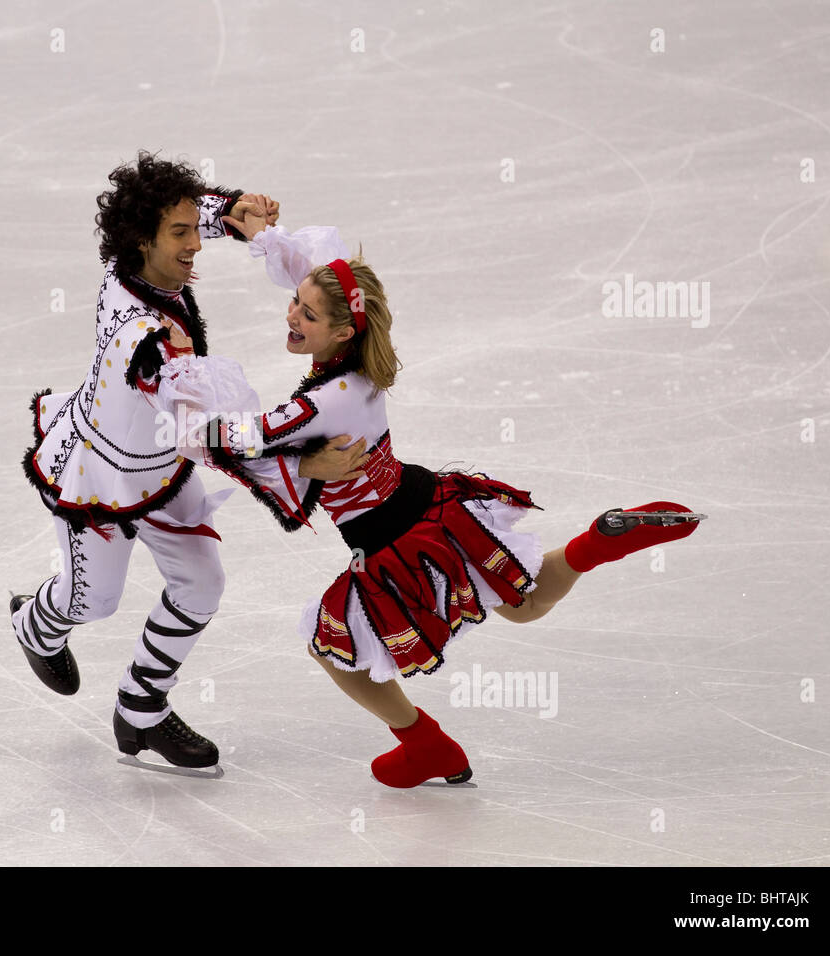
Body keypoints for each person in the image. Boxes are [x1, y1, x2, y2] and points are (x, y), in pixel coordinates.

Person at [152, 207, 705, 788]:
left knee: (330, 648)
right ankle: (600, 541)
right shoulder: (354, 361)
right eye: (296, 301)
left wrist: (183, 363)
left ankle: (427, 746)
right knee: (526, 602)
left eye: (306, 313)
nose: (291, 313)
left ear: (342, 330)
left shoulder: (321, 403)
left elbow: (217, 441)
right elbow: (321, 274)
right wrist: (259, 235)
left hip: (395, 541)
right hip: (430, 503)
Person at [10, 153, 365, 772]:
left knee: (202, 585)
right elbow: (203, 432)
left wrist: (237, 213)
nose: (194, 243)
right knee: (93, 603)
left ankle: (140, 709)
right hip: (100, 481)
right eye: (181, 235)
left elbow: (191, 207)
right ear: (142, 239)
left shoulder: (144, 254)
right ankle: (35, 626)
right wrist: (303, 462)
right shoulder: (142, 337)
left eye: (193, 229)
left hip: (159, 470)